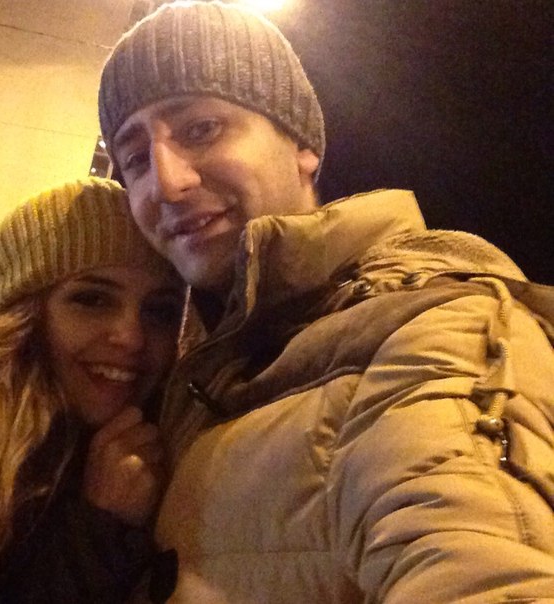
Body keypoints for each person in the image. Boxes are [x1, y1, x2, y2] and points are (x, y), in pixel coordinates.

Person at [98, 2, 554, 602]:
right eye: (135, 159)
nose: (166, 182)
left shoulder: (430, 332)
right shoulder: (218, 365)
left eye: (201, 129)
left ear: (302, 146)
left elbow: (475, 559)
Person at [0, 177, 184, 604]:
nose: (132, 338)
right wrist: (98, 529)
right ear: (20, 314)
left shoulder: (172, 443)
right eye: (93, 300)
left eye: (160, 311)